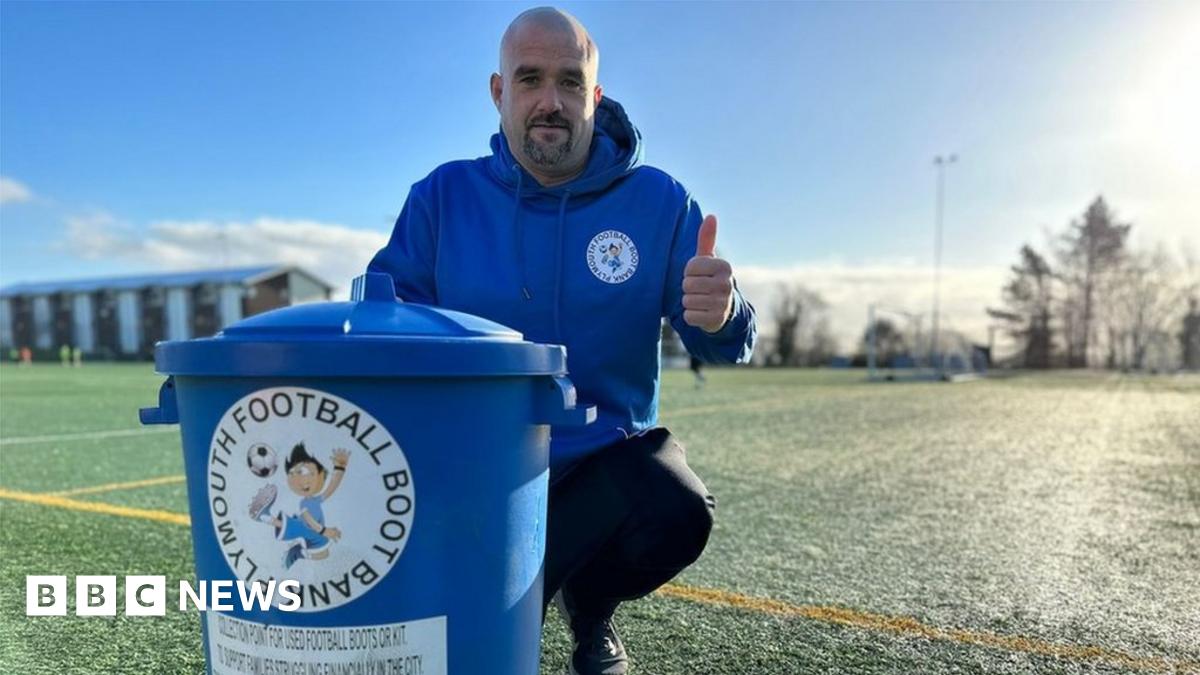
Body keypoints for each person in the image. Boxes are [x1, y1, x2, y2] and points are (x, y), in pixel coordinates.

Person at [368, 8, 756, 674]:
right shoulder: (441, 197)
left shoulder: (659, 201)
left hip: (600, 470)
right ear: (499, 92)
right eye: (531, 79)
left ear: (594, 96)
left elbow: (723, 342)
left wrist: (724, 314)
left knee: (675, 504)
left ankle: (590, 604)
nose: (551, 101)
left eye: (571, 82)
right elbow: (385, 323)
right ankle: (492, 590)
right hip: (475, 470)